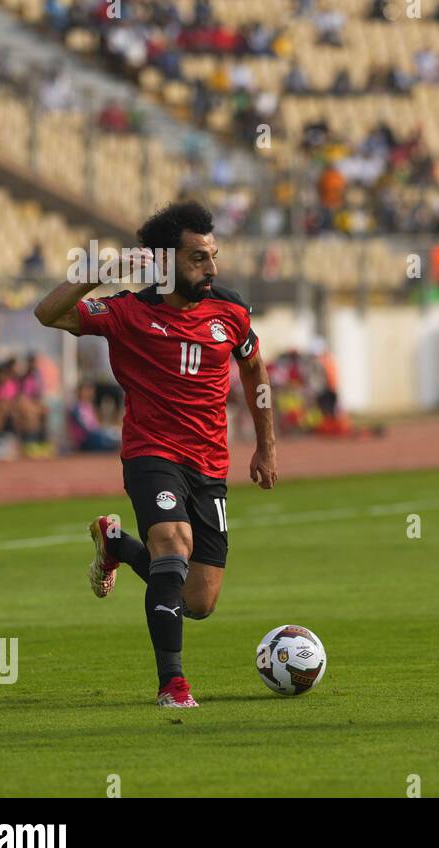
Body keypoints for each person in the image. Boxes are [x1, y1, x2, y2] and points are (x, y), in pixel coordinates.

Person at [33, 201, 277, 708]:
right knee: (172, 543)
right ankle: (173, 684)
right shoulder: (126, 312)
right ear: (165, 263)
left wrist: (265, 446)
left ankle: (117, 544)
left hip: (211, 463)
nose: (211, 268)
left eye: (213, 256)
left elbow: (255, 372)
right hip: (151, 453)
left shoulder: (230, 311)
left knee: (199, 600)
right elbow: (47, 313)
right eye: (197, 259)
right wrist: (98, 271)